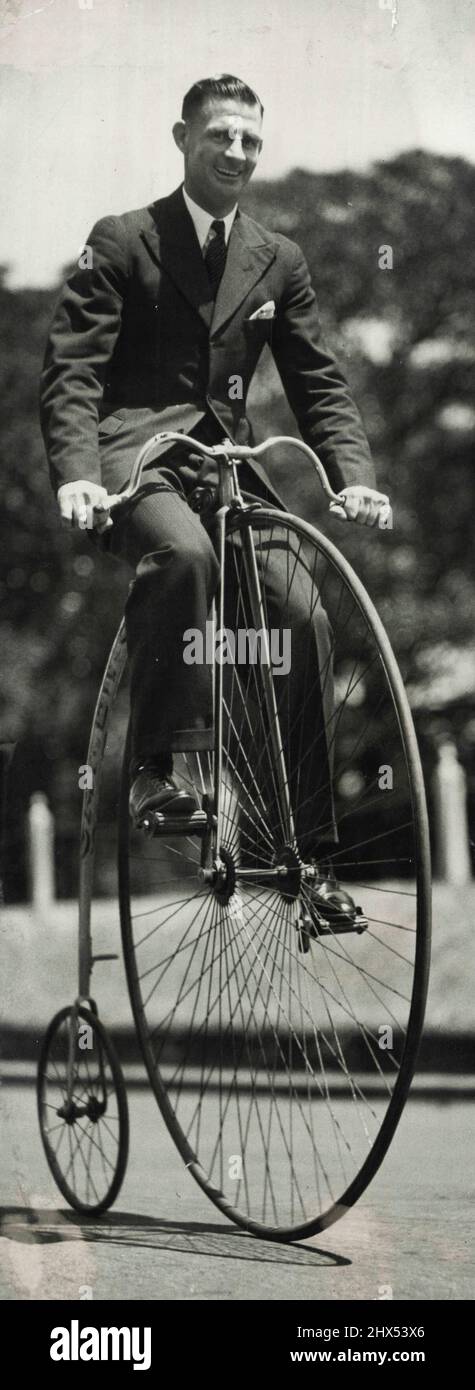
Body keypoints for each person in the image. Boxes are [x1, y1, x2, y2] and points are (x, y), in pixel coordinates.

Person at [40, 73, 388, 927]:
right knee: (184, 556)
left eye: (249, 141)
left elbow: (318, 382)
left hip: (224, 466)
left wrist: (353, 476)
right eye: (219, 136)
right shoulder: (124, 240)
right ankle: (163, 769)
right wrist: (79, 472)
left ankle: (308, 863)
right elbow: (73, 373)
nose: (235, 153)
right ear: (181, 138)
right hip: (138, 461)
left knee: (299, 613)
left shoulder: (278, 257)